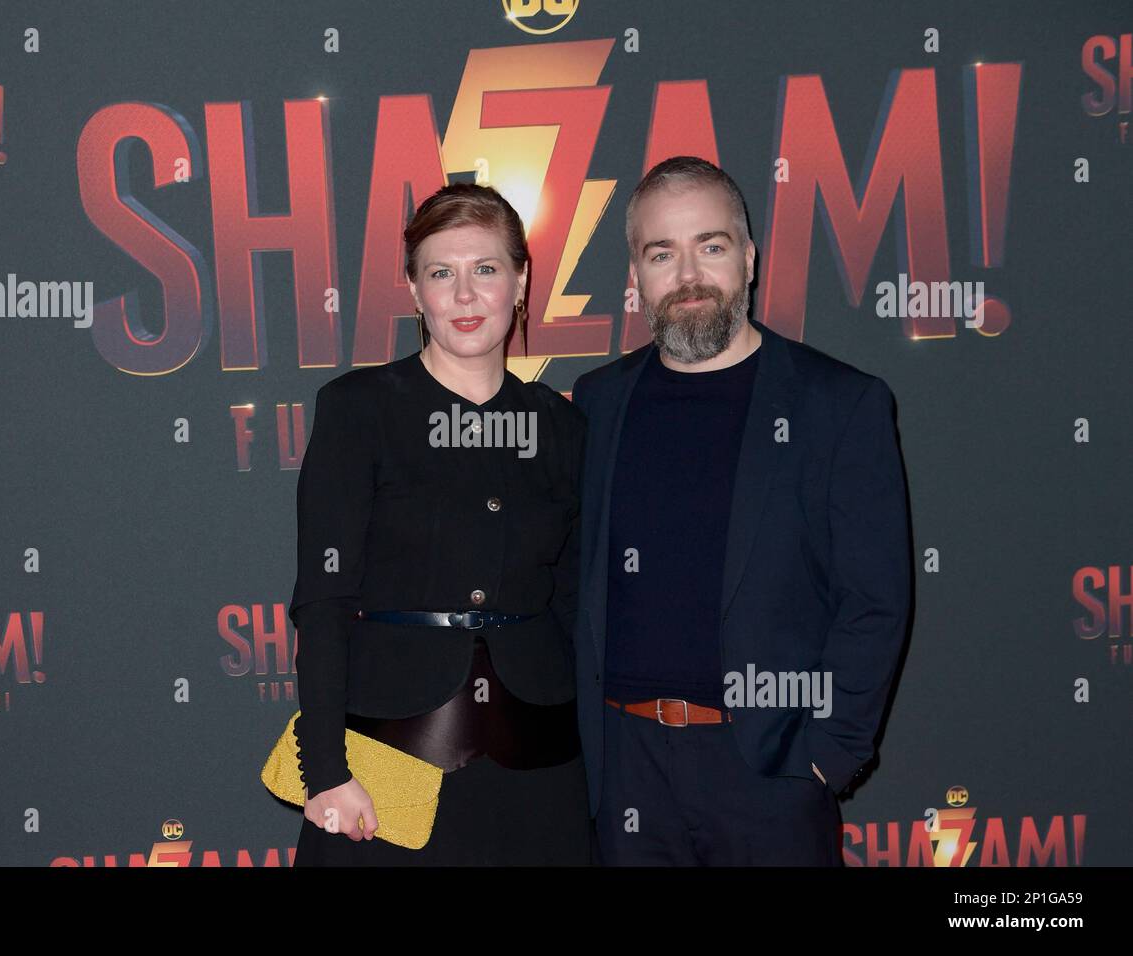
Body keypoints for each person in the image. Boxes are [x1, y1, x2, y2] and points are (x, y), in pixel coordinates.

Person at [572, 156, 912, 865]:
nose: (688, 273)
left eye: (712, 245)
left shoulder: (838, 405)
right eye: (661, 252)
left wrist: (829, 753)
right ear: (635, 276)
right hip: (625, 766)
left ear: (749, 259)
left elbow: (876, 598)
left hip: (769, 770)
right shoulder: (597, 401)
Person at [288, 182, 592, 865]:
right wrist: (327, 773)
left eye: (485, 269)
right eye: (440, 273)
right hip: (391, 755)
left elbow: (575, 603)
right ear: (413, 291)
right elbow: (324, 602)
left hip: (541, 758)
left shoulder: (562, 426)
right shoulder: (360, 410)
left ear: (520, 282)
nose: (464, 295)